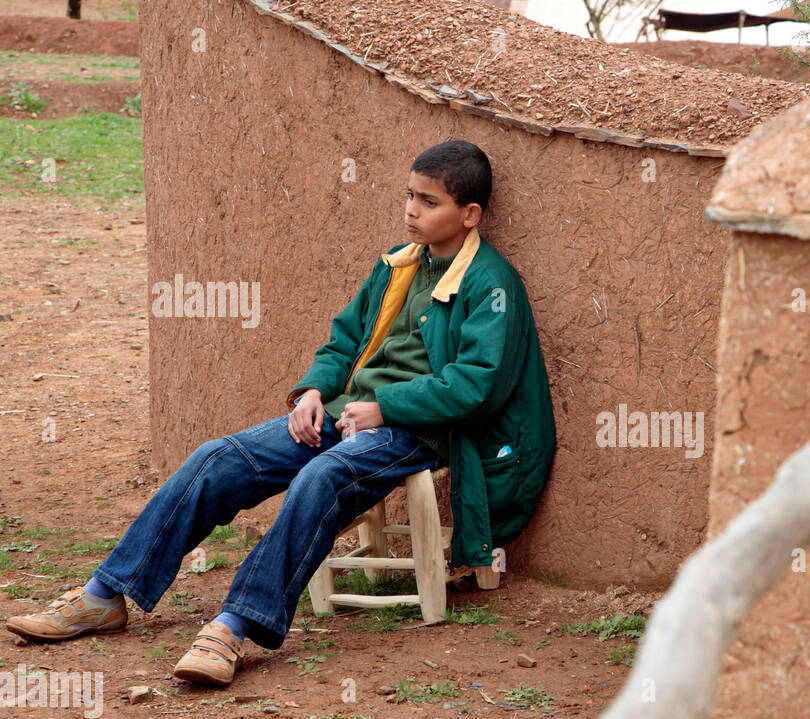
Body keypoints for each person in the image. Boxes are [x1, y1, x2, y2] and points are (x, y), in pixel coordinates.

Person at [5, 139, 556, 687]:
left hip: (420, 430)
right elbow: (343, 342)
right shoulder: (397, 265)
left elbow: (475, 386)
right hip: (345, 413)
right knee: (218, 458)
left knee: (323, 475)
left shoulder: (491, 283)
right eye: (409, 195)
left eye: (429, 201)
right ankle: (105, 595)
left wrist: (384, 408)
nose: (411, 210)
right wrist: (312, 393)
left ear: (470, 214)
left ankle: (233, 626)